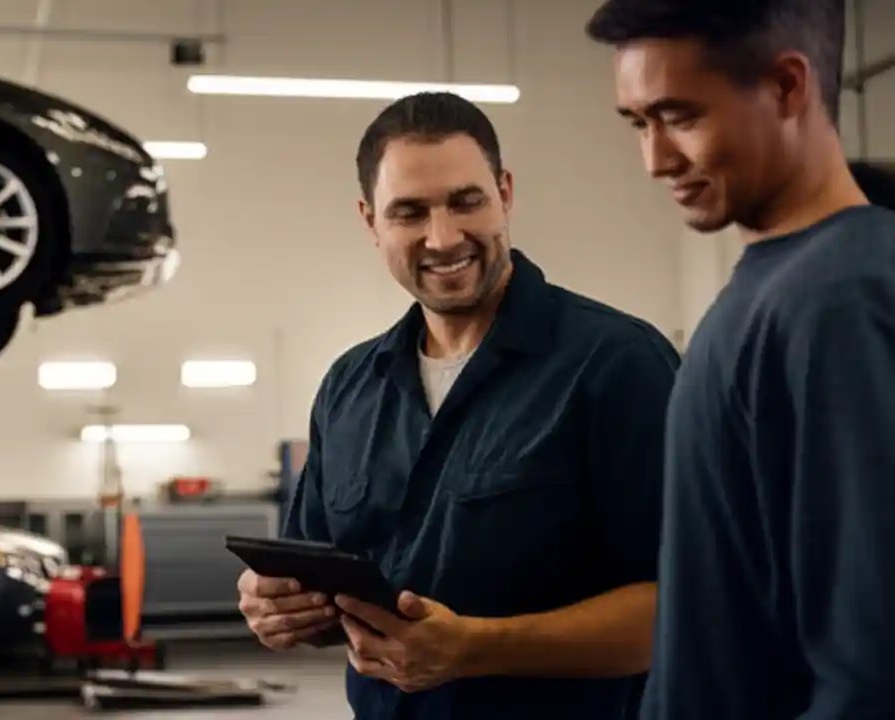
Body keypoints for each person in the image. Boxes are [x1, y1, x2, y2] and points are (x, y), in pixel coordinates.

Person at [236, 92, 680, 719]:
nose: (443, 238)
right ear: (370, 221)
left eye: (466, 202)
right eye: (409, 212)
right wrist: (277, 606)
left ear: (505, 193)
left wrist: (476, 648)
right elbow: (319, 581)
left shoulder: (617, 365)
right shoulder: (350, 387)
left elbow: (683, 606)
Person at [585, 1, 895, 718]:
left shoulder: (843, 300)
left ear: (789, 87)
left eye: (680, 117)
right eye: (638, 123)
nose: (655, 159)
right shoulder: (771, 292)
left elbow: (871, 668)